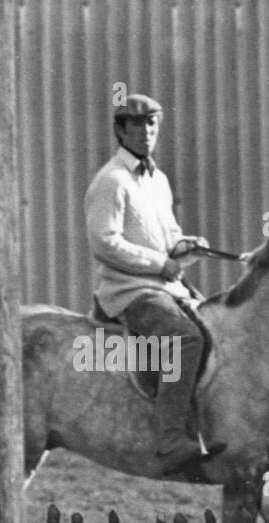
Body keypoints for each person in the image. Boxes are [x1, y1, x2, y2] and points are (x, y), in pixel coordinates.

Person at [84, 93, 225, 476]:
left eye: (152, 124)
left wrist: (186, 246)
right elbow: (104, 242)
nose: (146, 132)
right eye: (136, 124)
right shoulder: (110, 181)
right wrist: (158, 263)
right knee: (185, 338)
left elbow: (167, 237)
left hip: (162, 287)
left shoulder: (158, 180)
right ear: (120, 130)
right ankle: (170, 439)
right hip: (128, 292)